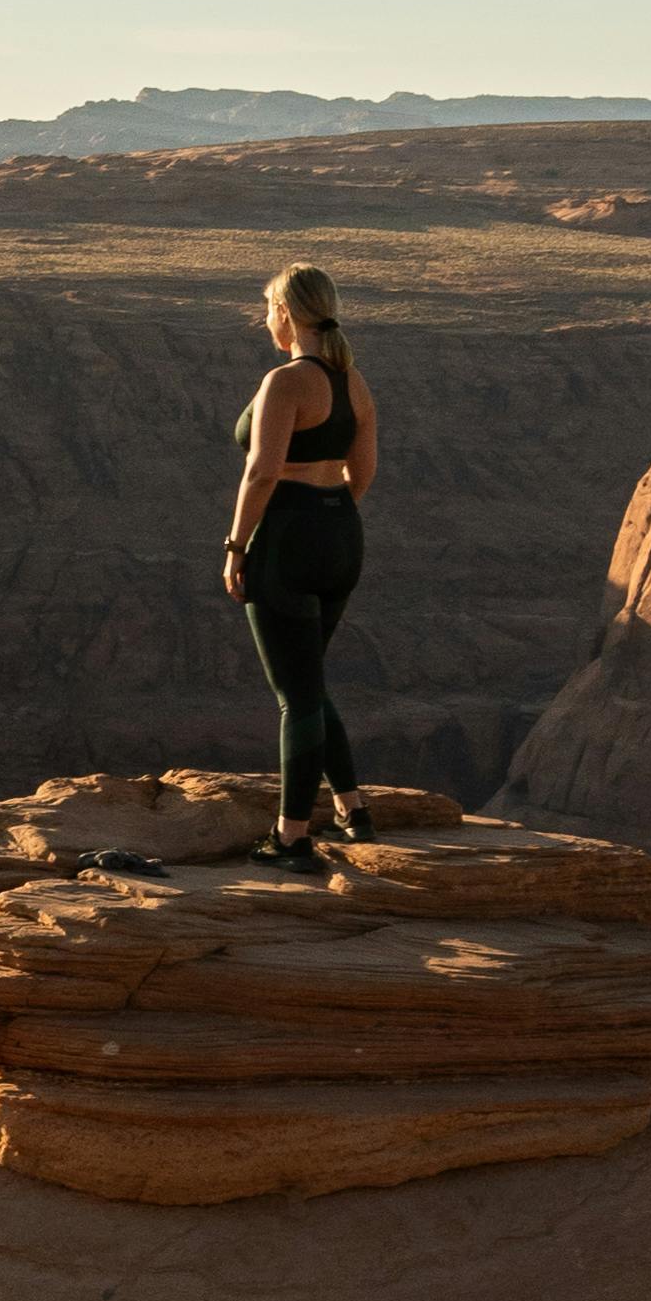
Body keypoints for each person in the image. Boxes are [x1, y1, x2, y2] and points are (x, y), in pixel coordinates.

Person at [223, 264, 376, 863]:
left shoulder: (285, 381)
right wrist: (328, 515)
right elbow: (362, 473)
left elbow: (261, 470)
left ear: (286, 313)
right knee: (310, 680)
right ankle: (352, 807)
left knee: (295, 696)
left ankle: (291, 836)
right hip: (341, 533)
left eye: (267, 309)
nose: (264, 320)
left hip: (286, 537)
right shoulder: (354, 382)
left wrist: (237, 546)